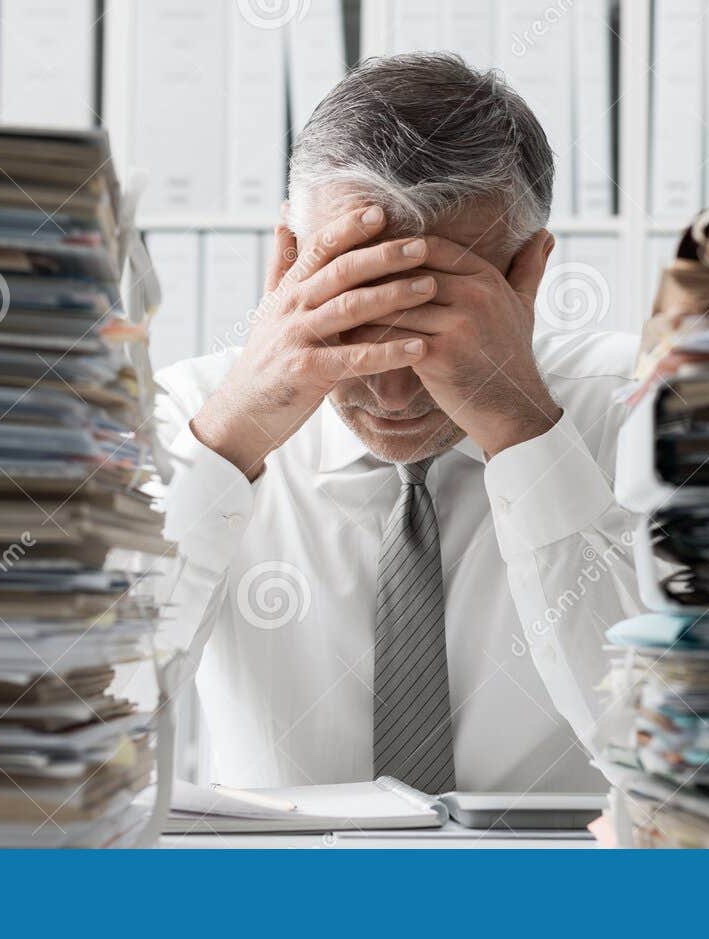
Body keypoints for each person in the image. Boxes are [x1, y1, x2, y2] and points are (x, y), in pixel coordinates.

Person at [156, 53, 641, 794]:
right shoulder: (186, 418)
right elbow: (78, 720)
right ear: (287, 261)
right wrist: (230, 442)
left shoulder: (638, 411)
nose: (389, 389)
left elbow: (665, 751)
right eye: (358, 317)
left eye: (438, 321)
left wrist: (523, 427)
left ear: (530, 276)